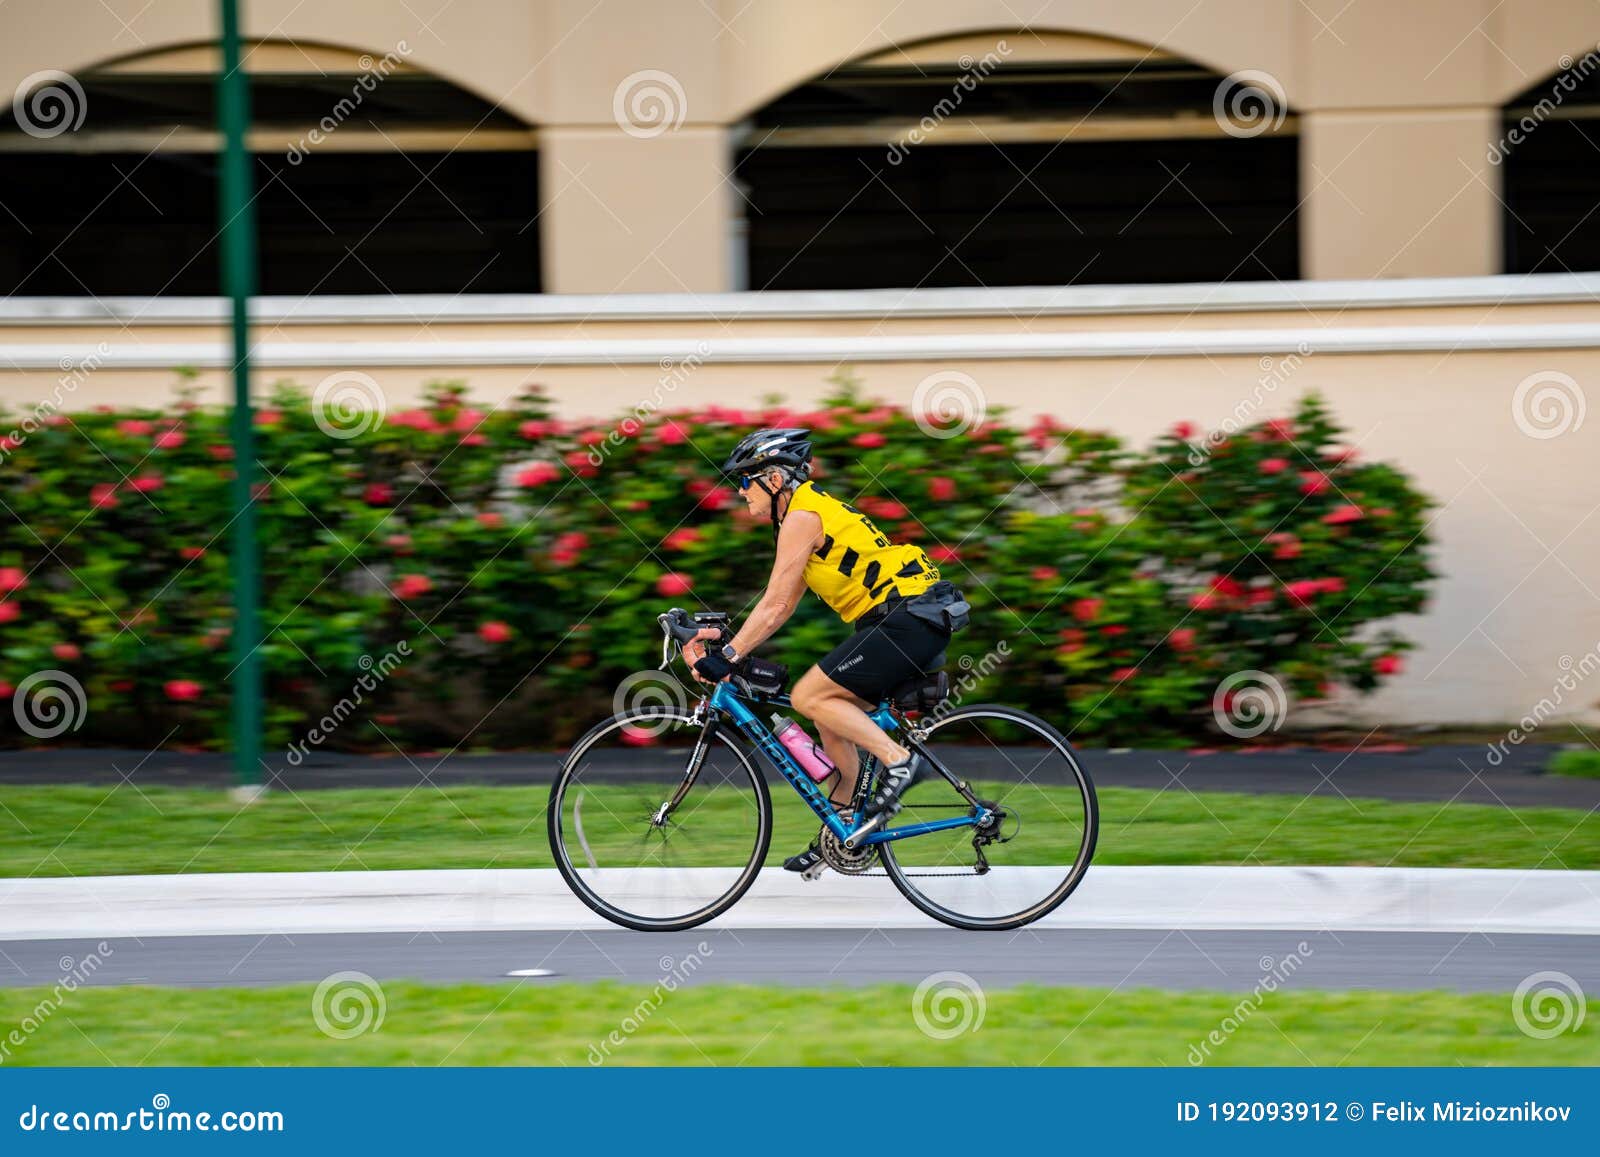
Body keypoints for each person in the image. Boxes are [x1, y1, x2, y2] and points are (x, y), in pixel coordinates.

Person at [683, 427, 967, 873]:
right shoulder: (806, 512)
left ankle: (900, 763)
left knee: (808, 696)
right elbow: (783, 601)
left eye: (744, 481)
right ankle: (845, 827)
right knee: (829, 712)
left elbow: (775, 605)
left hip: (906, 617)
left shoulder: (803, 516)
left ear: (773, 480)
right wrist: (730, 642)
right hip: (906, 618)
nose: (740, 492)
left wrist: (730, 656)